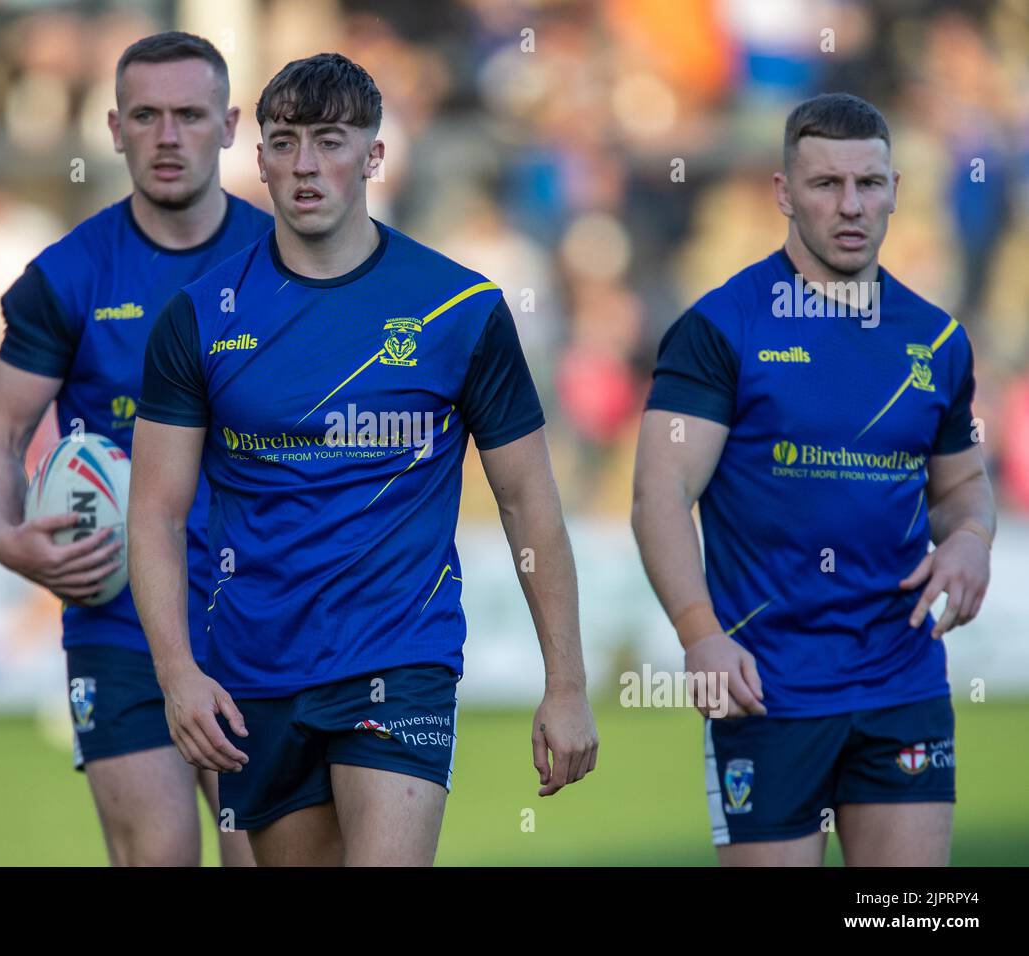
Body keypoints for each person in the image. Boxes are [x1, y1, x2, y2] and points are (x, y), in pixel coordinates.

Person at [129, 52, 597, 866]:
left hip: (400, 656)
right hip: (256, 667)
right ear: (261, 157)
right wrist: (176, 673)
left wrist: (566, 683)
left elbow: (528, 501)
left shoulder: (461, 309)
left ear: (375, 156)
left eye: (331, 140)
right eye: (284, 141)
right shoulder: (198, 318)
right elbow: (157, 512)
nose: (306, 164)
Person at [631, 92, 994, 865]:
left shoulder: (937, 338)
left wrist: (971, 540)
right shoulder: (720, 329)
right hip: (768, 687)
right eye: (826, 184)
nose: (852, 205)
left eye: (870, 183)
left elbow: (962, 487)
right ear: (783, 193)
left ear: (897, 189)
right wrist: (700, 636)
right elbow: (659, 496)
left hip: (903, 681)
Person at [0, 32, 271, 867]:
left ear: (228, 124)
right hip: (118, 618)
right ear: (113, 128)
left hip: (258, 615)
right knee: (158, 855)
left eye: (188, 115)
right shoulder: (66, 277)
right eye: (146, 116)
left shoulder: (287, 263)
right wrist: (6, 536)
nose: (167, 136)